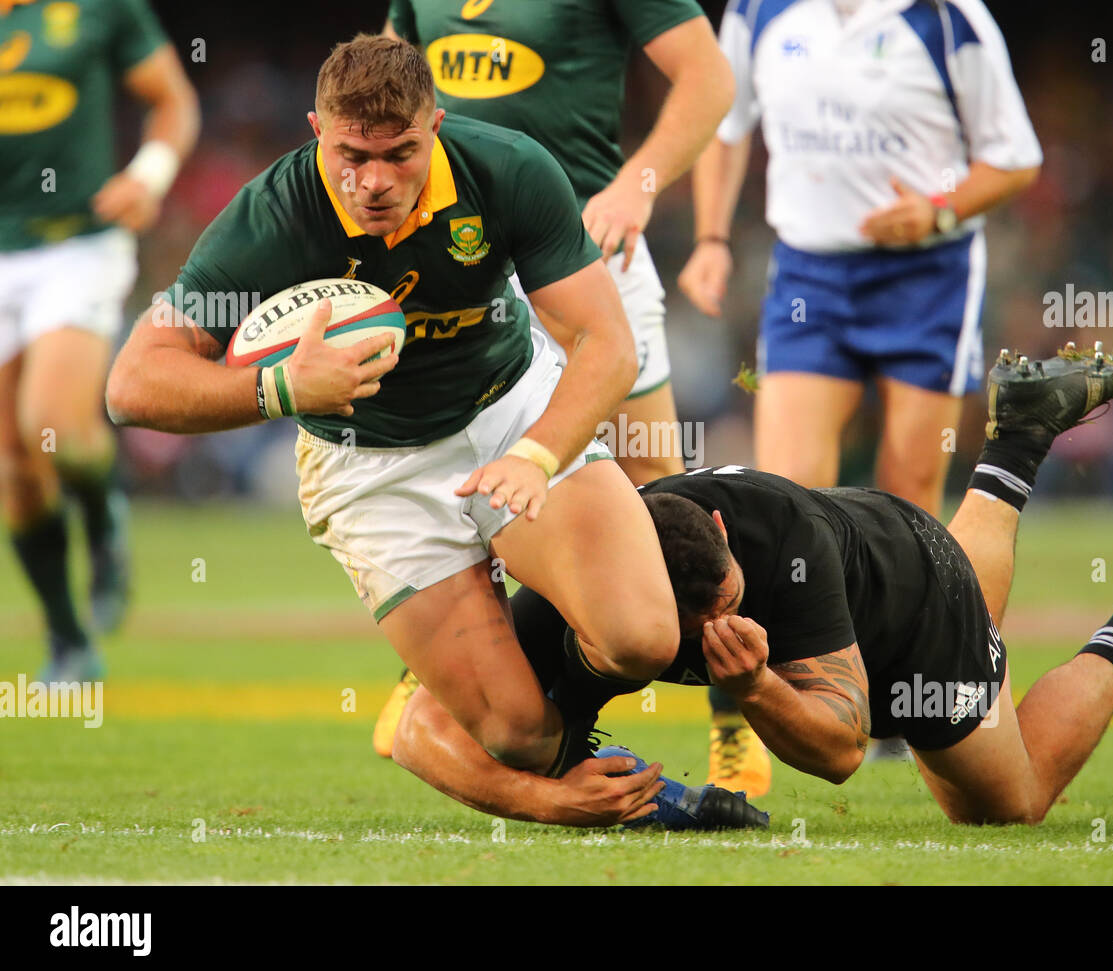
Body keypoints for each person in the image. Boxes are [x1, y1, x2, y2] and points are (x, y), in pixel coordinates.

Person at [105, 35, 681, 779]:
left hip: (506, 406)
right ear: (318, 132)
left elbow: (607, 343)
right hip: (367, 463)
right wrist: (280, 390)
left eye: (399, 153)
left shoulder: (508, 170)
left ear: (436, 125)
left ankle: (507, 634)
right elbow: (131, 384)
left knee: (642, 639)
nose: (373, 180)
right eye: (352, 155)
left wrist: (538, 455)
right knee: (516, 734)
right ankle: (590, 766)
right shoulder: (273, 218)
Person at [388, 343, 1113, 827]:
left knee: (1003, 804)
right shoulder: (598, 576)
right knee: (526, 728)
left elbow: (841, 753)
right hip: (862, 545)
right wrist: (542, 800)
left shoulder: (781, 555)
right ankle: (1015, 441)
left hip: (907, 601)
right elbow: (414, 729)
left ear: (723, 537)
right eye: (703, 619)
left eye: (731, 597)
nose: (727, 617)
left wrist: (755, 682)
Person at [679, 0, 1044, 780]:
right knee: (784, 500)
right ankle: (777, 711)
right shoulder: (759, 11)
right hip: (810, 272)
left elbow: (1015, 158)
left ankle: (918, 700)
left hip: (928, 275)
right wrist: (711, 238)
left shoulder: (949, 18)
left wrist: (939, 207)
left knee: (911, 502)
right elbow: (725, 120)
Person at [373, 0, 736, 762]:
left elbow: (709, 77)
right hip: (463, 262)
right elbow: (383, 89)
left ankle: (735, 710)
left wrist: (639, 183)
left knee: (663, 490)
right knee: (463, 469)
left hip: (583, 255)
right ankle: (449, 673)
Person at [1, 0, 198, 681]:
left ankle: (101, 507)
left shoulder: (95, 7)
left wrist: (148, 177)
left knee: (49, 422)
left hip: (75, 244)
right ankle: (67, 638)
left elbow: (173, 100)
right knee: (13, 466)